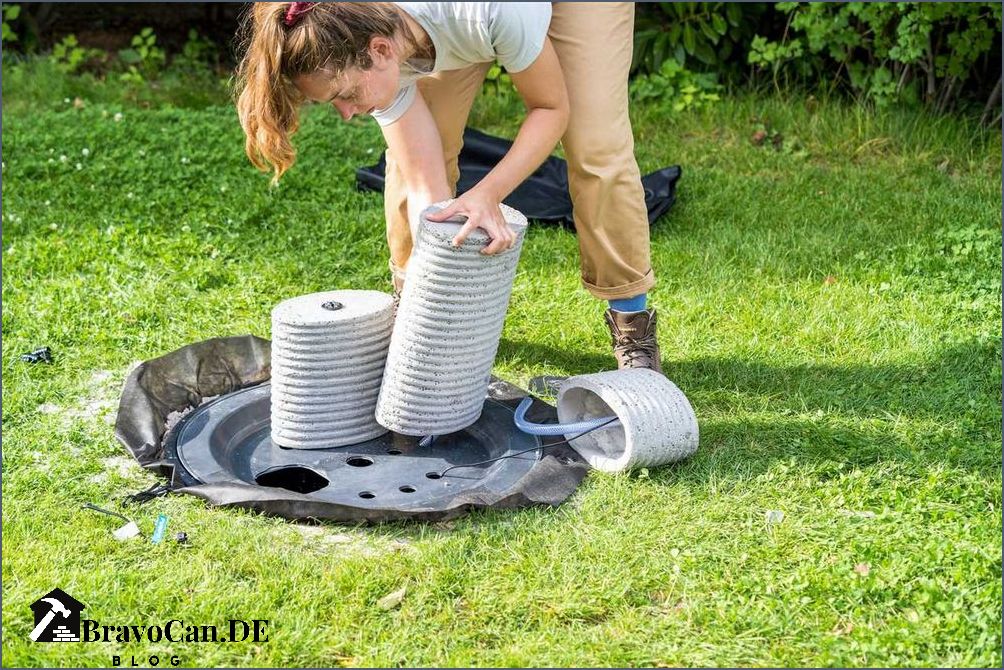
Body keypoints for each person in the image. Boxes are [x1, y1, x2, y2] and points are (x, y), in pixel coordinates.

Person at [235, 2, 662, 372]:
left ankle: (632, 327)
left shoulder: (491, 13)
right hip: (447, 19)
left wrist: (487, 193)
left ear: (380, 51)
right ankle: (416, 313)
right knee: (411, 158)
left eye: (345, 94)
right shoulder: (362, 27)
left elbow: (550, 108)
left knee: (596, 148)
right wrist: (436, 279)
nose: (347, 113)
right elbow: (425, 182)